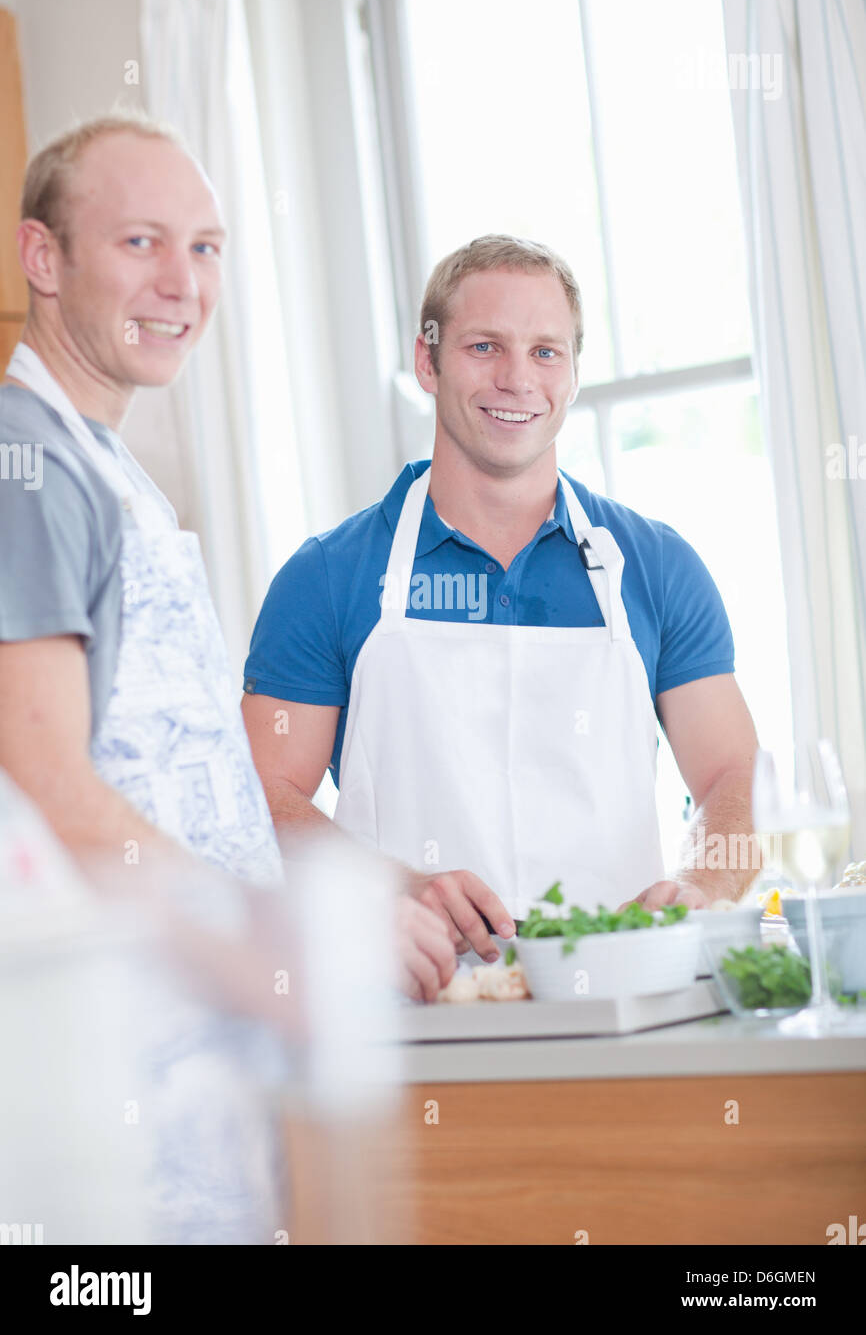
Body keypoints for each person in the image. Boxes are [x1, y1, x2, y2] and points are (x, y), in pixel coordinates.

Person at [0, 117, 453, 1084]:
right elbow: (50, 796)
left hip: (194, 1034)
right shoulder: (27, 470)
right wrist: (292, 939)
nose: (183, 283)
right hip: (111, 1048)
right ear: (43, 255)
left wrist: (359, 897)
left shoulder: (114, 475)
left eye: (205, 246)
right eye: (139, 242)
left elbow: (193, 791)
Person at [242, 234, 761, 958]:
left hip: (623, 998)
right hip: (409, 1014)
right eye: (484, 347)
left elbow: (733, 777)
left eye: (546, 351)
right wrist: (394, 888)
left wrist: (701, 886)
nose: (518, 379)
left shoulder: (657, 567)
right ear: (427, 361)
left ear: (574, 374)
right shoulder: (328, 577)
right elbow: (259, 801)